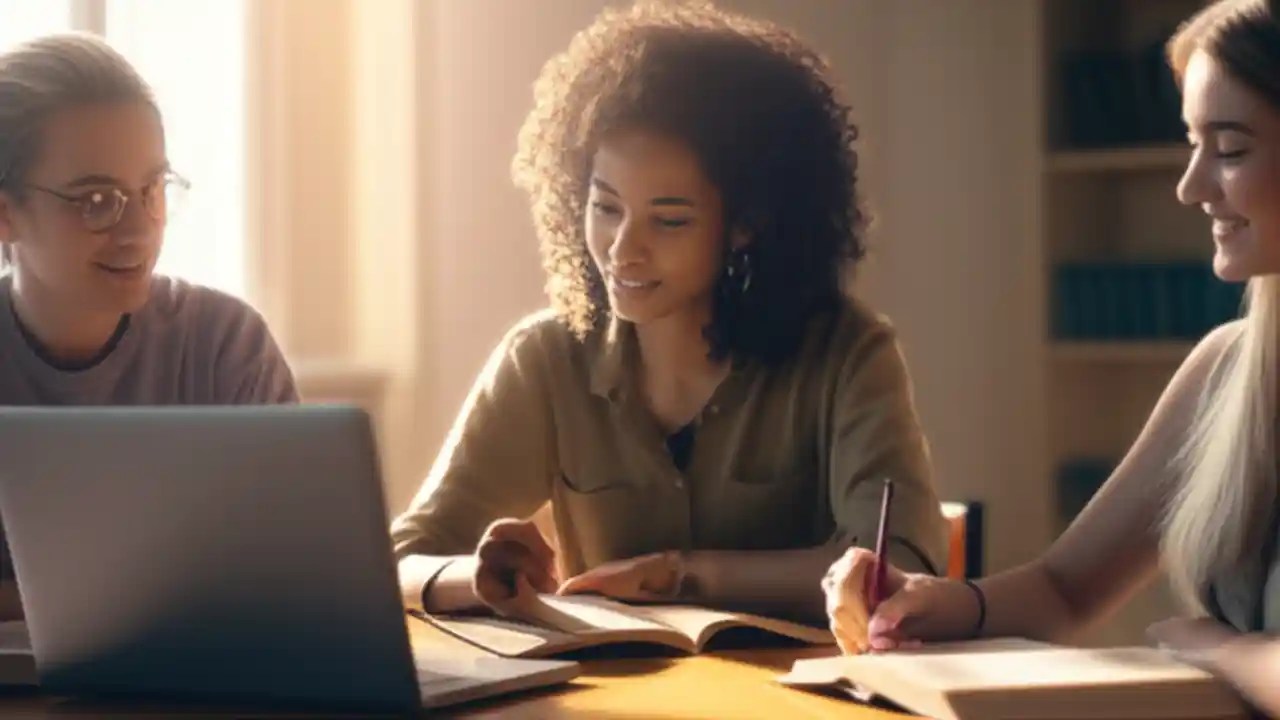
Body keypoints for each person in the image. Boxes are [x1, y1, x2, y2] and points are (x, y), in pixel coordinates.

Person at [393, 1, 948, 623]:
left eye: (669, 220)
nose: (623, 249)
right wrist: (483, 577)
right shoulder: (545, 359)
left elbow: (901, 566)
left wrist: (683, 576)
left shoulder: (847, 353)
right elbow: (403, 557)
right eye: (605, 208)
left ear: (746, 224)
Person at [824, 0, 1280, 714]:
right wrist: (940, 603)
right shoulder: (1229, 372)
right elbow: (1064, 589)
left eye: (1227, 149)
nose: (1191, 187)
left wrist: (1218, 647)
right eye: (1190, 144)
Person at [0, 33, 297, 617]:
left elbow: (290, 575)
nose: (139, 231)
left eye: (151, 190)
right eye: (95, 200)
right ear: (6, 214)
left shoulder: (225, 347)